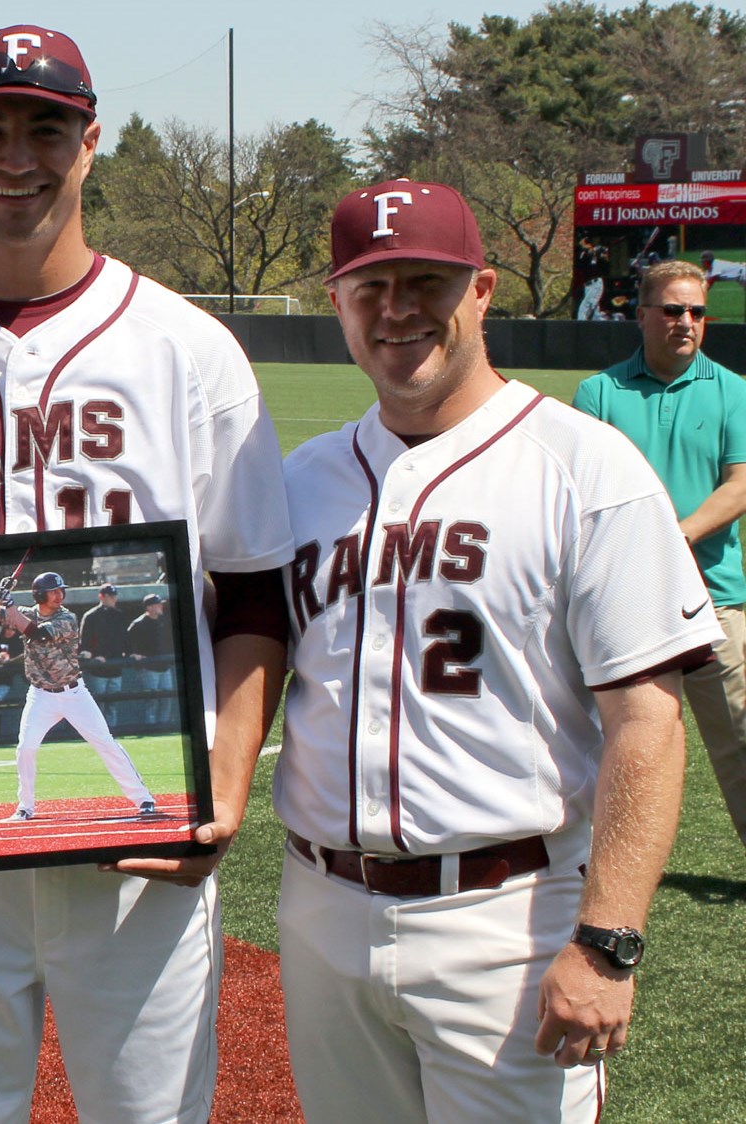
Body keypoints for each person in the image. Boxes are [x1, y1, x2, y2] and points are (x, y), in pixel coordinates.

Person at [0, 24, 294, 1122]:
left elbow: (256, 589)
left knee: (151, 1112)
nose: (15, 154)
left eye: (44, 126)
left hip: (145, 834)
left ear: (89, 142)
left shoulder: (184, 346)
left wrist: (217, 776)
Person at [276, 179, 721, 1122]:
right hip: (320, 908)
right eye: (372, 285)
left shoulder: (585, 466)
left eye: (426, 282)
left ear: (481, 291)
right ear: (338, 305)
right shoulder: (298, 482)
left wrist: (608, 943)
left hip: (509, 920)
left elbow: (647, 721)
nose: (398, 310)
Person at [574, 259, 746, 854]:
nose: (685, 322)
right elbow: (583, 490)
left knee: (741, 740)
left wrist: (676, 533)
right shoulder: (598, 393)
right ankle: (574, 868)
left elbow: (740, 484)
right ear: (642, 315)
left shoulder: (733, 391)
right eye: (672, 310)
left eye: (696, 312)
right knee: (596, 742)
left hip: (712, 597)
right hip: (618, 599)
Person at [0, 572, 156, 823]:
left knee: (105, 743)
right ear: (39, 594)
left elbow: (37, 633)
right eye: (53, 591)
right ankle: (25, 807)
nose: (59, 595)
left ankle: (144, 799)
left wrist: (9, 605)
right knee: (25, 748)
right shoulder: (27, 612)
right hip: (40, 695)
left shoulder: (67, 617)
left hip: (74, 693)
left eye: (60, 590)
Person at [76, 581, 131, 721]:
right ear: (101, 596)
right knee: (97, 704)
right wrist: (92, 656)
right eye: (109, 596)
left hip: (116, 666)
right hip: (98, 669)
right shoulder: (91, 616)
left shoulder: (120, 615)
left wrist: (129, 654)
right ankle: (98, 735)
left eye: (113, 596)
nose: (112, 599)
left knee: (113, 704)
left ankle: (113, 732)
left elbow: (125, 638)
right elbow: (85, 643)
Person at [125, 593, 176, 727]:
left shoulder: (164, 621)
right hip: (148, 669)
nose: (160, 606)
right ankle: (150, 727)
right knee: (151, 700)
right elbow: (128, 645)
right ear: (150, 607)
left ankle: (164, 726)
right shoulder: (138, 624)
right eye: (157, 604)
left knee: (167, 698)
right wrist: (134, 654)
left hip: (164, 667)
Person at [702, 250, 746, 315]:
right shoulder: (709, 270)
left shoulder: (716, 265)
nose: (702, 263)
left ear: (706, 262)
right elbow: (704, 280)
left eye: (703, 261)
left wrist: (704, 292)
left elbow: (710, 281)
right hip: (741, 275)